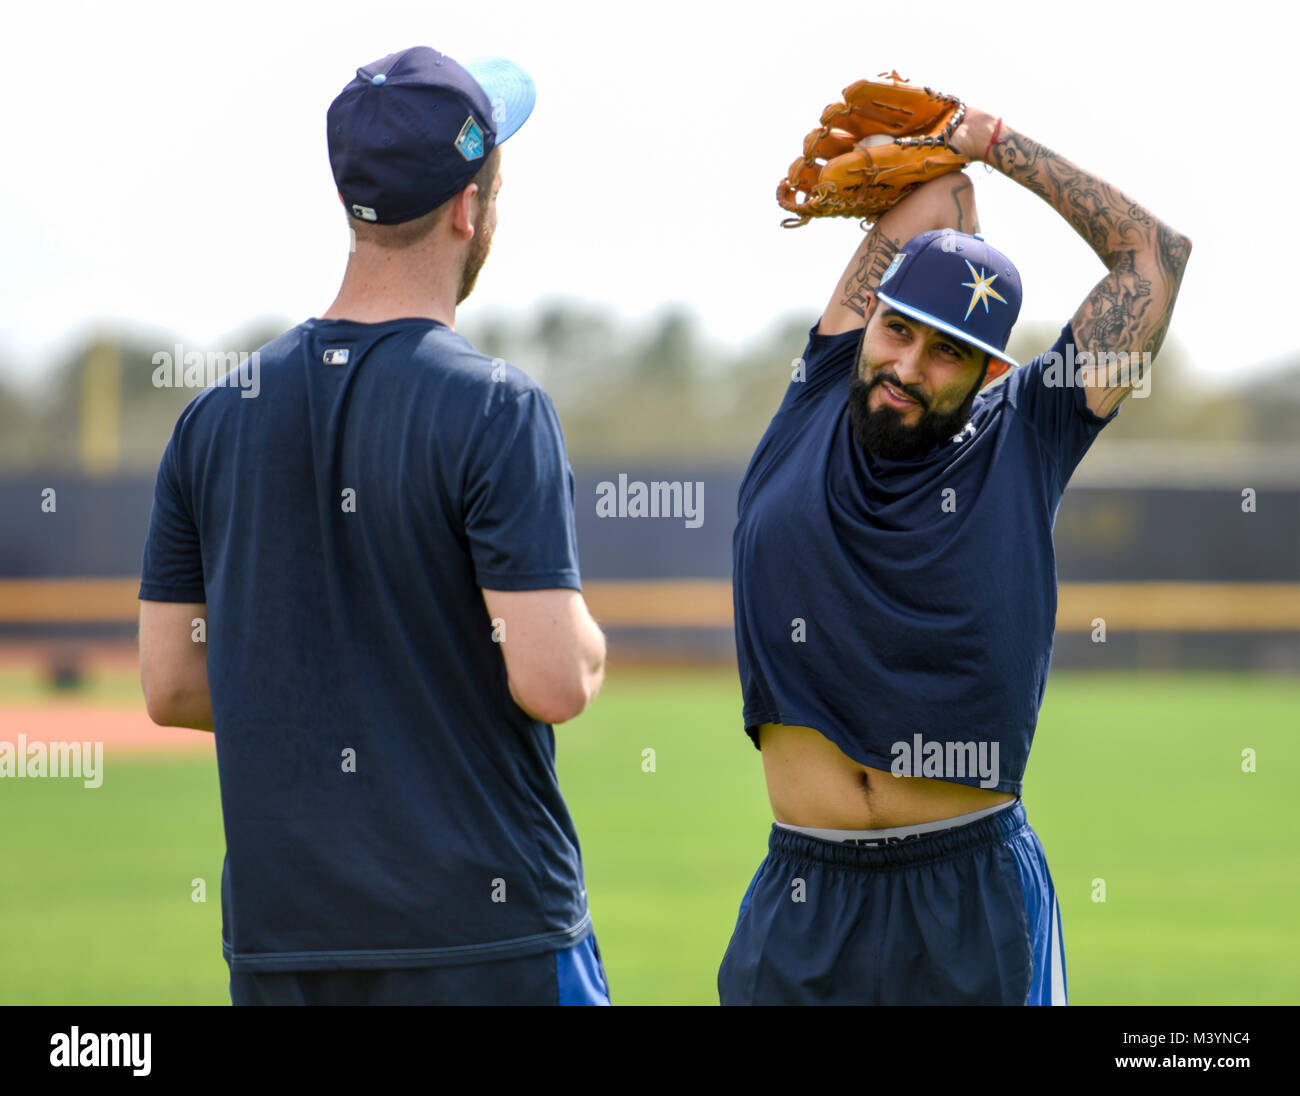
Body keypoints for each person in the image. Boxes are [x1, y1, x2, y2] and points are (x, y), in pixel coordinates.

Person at [137, 46, 610, 1006]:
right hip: (491, 944)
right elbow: (554, 680)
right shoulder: (497, 409)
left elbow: (173, 684)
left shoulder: (213, 417)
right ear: (469, 209)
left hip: (286, 954)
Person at [719, 103, 1190, 1004]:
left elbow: (1154, 258)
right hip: (806, 891)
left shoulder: (1030, 433)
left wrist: (995, 139)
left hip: (968, 896)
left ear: (991, 373)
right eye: (897, 331)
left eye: (947, 352)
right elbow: (932, 196)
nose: (905, 366)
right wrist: (949, 160)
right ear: (870, 321)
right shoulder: (820, 385)